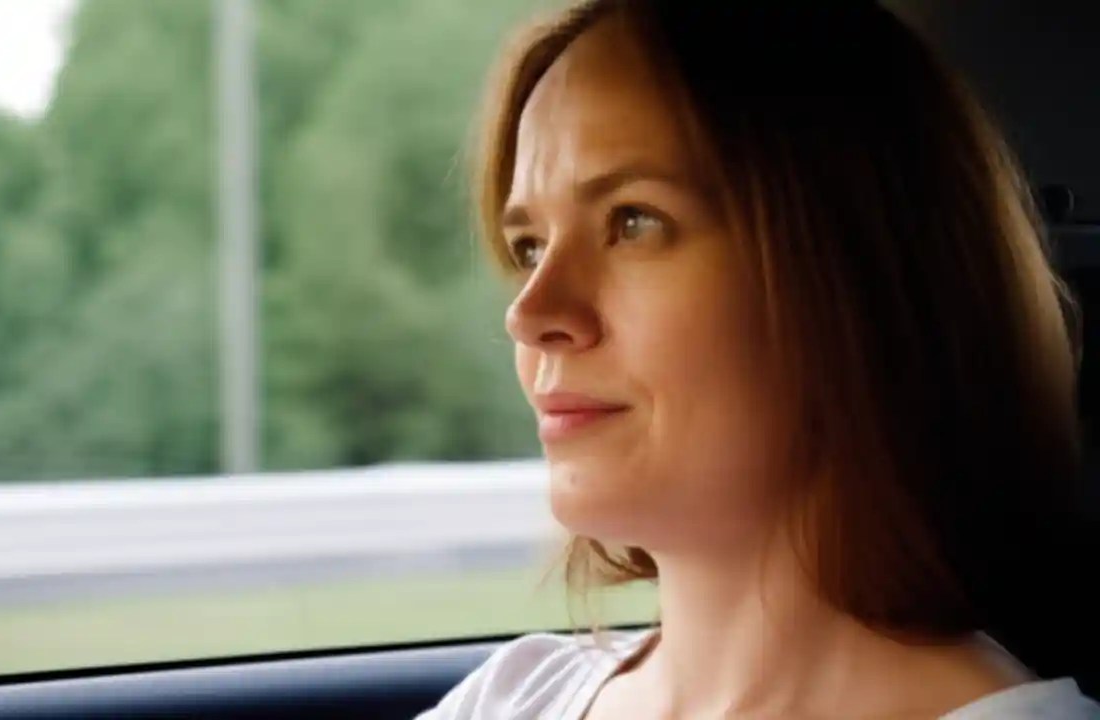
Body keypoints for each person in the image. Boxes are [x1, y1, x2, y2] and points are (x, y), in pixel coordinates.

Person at [418, 1, 1100, 718]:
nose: (529, 313)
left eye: (633, 222)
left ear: (851, 275)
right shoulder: (513, 695)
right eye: (529, 247)